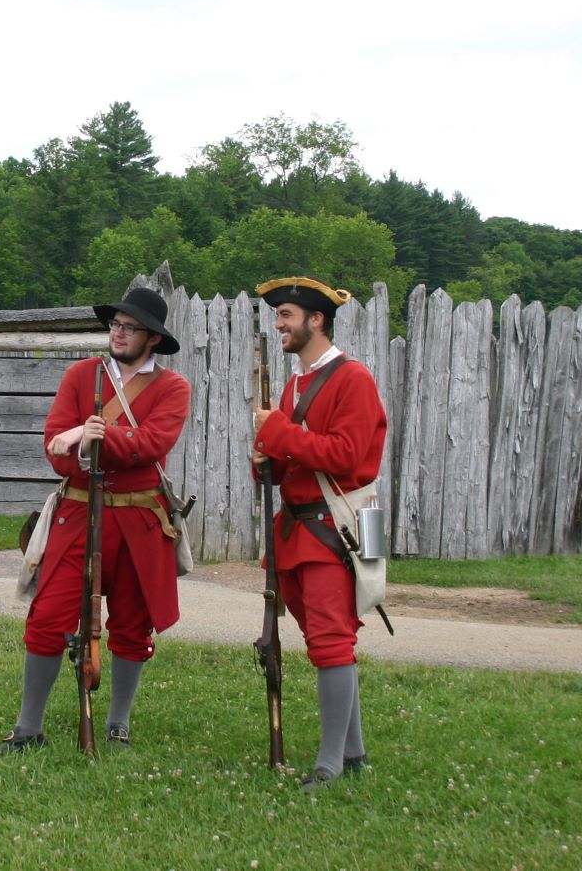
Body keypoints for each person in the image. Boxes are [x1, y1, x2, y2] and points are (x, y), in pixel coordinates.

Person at [0, 285, 191, 752]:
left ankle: (118, 723)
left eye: (129, 328)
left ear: (153, 338)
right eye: (115, 325)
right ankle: (29, 729)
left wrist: (89, 432)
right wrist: (82, 441)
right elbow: (54, 448)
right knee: (47, 617)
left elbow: (152, 445)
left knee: (133, 626)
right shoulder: (82, 375)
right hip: (79, 513)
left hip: (140, 520)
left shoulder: (172, 388)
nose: (117, 333)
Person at [249, 276, 388, 790]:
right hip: (299, 529)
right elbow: (292, 462)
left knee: (332, 642)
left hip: (337, 528)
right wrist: (266, 463)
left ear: (316, 320)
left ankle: (330, 766)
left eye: (286, 315)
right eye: (278, 316)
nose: (279, 325)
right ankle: (352, 753)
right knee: (326, 642)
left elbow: (347, 456)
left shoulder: (354, 379)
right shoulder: (293, 387)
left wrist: (277, 432)